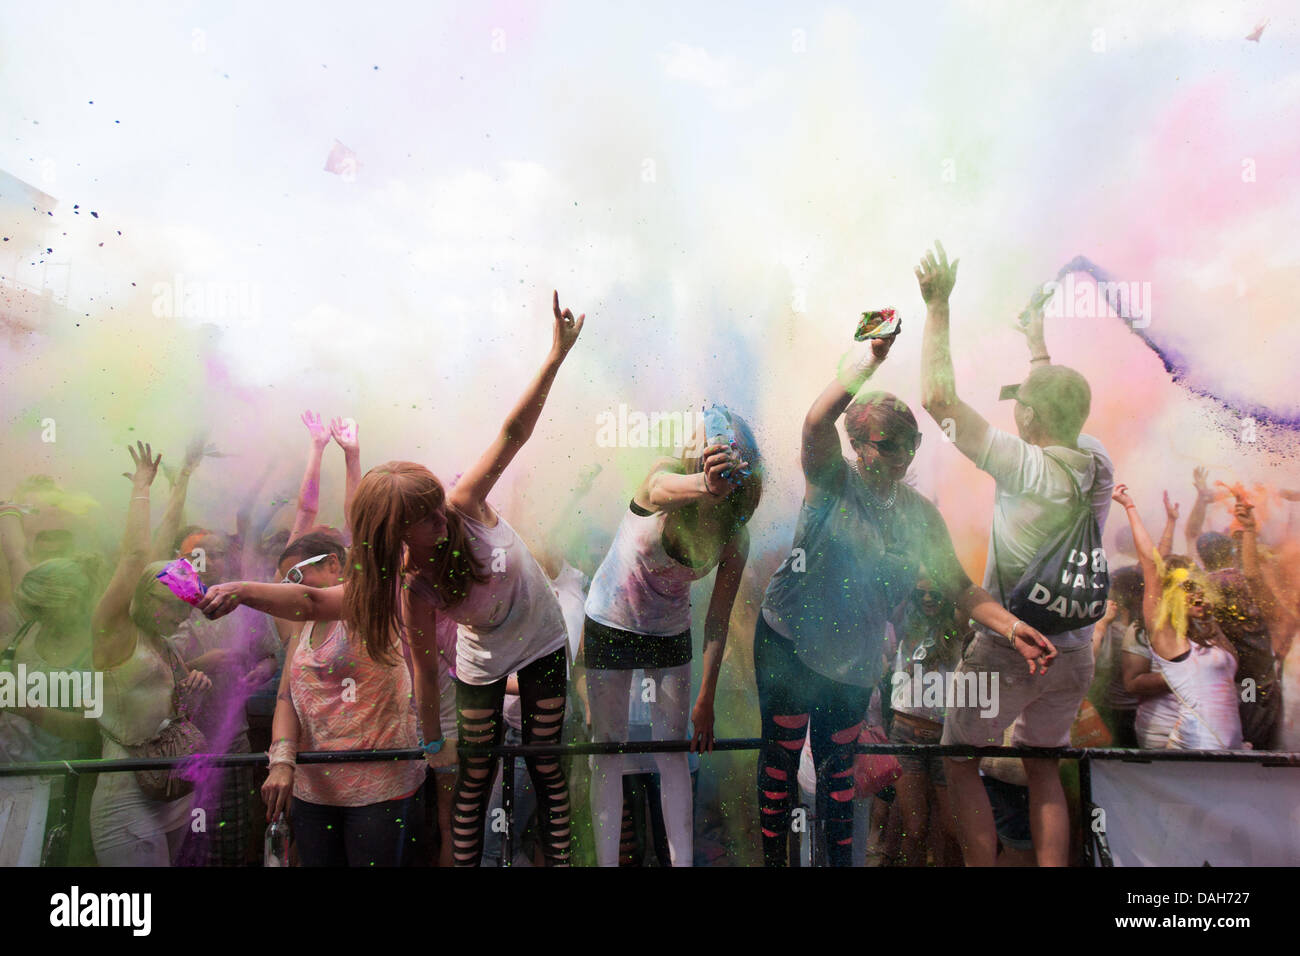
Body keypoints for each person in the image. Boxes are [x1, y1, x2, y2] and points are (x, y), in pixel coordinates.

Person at [199, 290, 586, 867]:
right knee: (471, 775)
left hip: (542, 639)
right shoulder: (410, 585)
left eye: (435, 508)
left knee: (546, 761)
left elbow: (512, 433)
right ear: (398, 535)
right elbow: (389, 649)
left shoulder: (463, 502)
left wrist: (553, 359)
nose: (440, 519)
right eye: (424, 519)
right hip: (483, 659)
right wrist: (433, 743)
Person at [756, 306, 1054, 868]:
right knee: (779, 775)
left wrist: (1016, 629)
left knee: (840, 784)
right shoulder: (830, 479)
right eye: (888, 446)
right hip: (789, 643)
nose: (899, 458)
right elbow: (815, 423)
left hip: (852, 660)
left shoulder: (920, 516)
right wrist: (869, 359)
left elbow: (963, 590)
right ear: (861, 446)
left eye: (909, 446)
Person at [918, 241, 1114, 867]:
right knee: (1043, 770)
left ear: (1026, 419)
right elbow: (1061, 410)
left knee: (958, 757)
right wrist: (1038, 347)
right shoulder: (1099, 466)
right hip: (1074, 649)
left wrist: (939, 306)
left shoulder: (1021, 464)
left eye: (1020, 408)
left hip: (1012, 644)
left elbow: (940, 403)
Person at [584, 403, 759, 867]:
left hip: (668, 630)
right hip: (611, 621)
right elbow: (658, 489)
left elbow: (718, 619)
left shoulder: (735, 537)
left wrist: (706, 698)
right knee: (607, 750)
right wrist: (706, 486)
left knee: (674, 753)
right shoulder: (663, 476)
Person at [259, 532, 427, 866]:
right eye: (284, 582)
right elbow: (286, 698)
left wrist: (235, 592)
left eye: (296, 577)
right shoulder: (303, 623)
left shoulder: (372, 605)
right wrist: (281, 761)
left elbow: (377, 543)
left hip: (379, 789)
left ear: (334, 563)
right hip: (314, 788)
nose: (290, 588)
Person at [89, 442, 214, 866]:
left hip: (173, 790)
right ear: (145, 596)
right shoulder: (114, 634)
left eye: (186, 612)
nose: (181, 620)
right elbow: (136, 558)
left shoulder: (159, 638)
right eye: (174, 608)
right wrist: (141, 487)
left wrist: (181, 481)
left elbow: (162, 556)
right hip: (126, 799)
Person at [1112, 484, 1243, 750]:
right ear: (1170, 599)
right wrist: (1130, 507)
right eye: (1186, 589)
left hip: (1229, 746)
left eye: (1198, 588)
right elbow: (1152, 565)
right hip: (1194, 746)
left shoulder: (1206, 633)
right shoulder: (1170, 641)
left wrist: (1208, 622)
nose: (1197, 594)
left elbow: (1231, 671)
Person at [885, 573, 964, 865]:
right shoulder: (906, 622)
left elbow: (967, 600)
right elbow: (894, 595)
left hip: (946, 739)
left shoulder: (957, 626)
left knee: (952, 828)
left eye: (936, 594)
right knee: (915, 828)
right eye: (922, 594)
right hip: (906, 735)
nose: (929, 599)